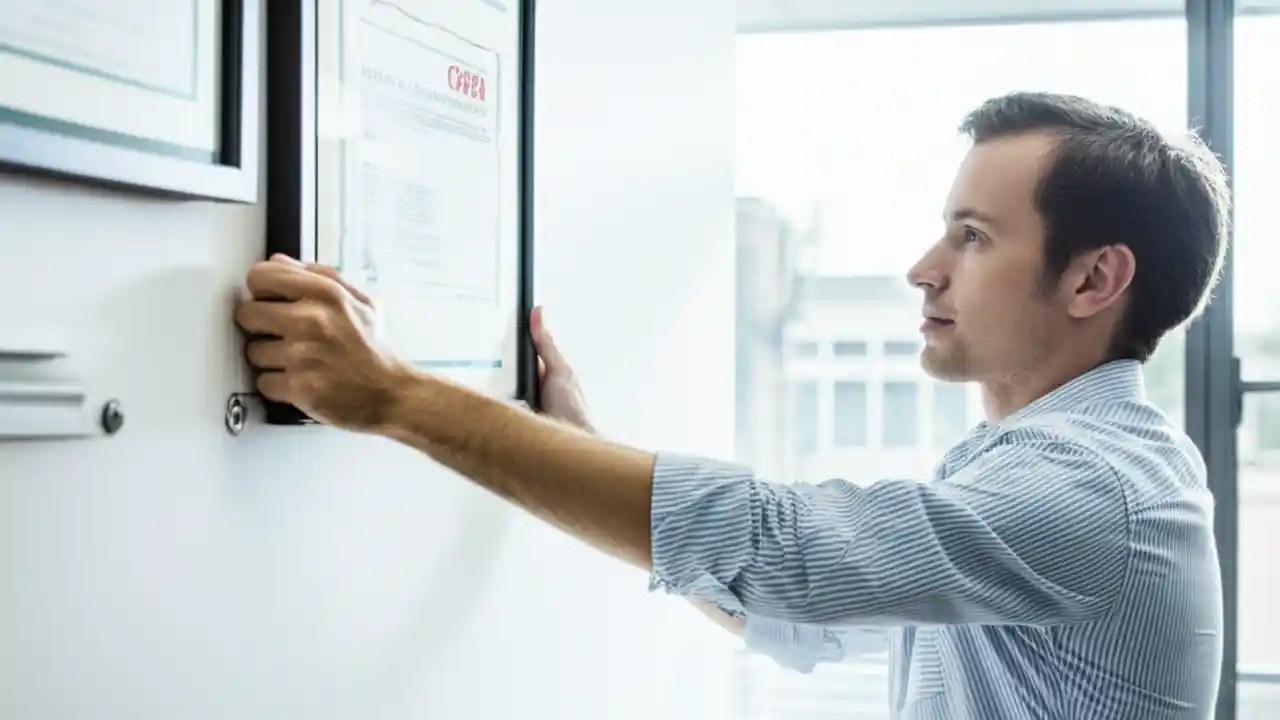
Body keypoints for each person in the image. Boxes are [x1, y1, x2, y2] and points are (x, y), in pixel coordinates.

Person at [234, 91, 1229, 719]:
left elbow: (780, 546)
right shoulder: (1027, 463)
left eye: (970, 237)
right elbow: (806, 612)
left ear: (1092, 279)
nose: (921, 270)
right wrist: (570, 446)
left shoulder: (1093, 487)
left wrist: (396, 398)